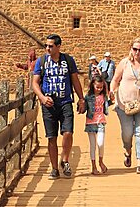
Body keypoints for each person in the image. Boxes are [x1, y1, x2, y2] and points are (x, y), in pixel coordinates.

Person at [31, 33, 85, 179]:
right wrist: (42, 98)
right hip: (48, 104)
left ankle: (65, 160)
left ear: (58, 46)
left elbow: (75, 80)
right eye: (46, 46)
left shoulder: (68, 60)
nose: (47, 48)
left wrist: (81, 99)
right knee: (51, 137)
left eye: (51, 46)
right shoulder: (41, 62)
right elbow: (35, 83)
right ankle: (54, 168)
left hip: (65, 102)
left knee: (68, 132)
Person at [110, 37, 140, 174]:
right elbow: (115, 79)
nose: (137, 52)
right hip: (124, 105)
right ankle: (127, 150)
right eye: (135, 49)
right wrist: (112, 92)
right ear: (131, 49)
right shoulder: (125, 63)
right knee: (127, 133)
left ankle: (139, 163)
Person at [84, 72, 111, 175]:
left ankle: (100, 161)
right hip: (91, 122)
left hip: (101, 121)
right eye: (97, 87)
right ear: (93, 86)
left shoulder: (104, 96)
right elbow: (83, 108)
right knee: (93, 145)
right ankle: (94, 166)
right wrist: (81, 105)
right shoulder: (88, 96)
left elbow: (108, 105)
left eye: (101, 87)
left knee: (100, 143)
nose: (99, 89)